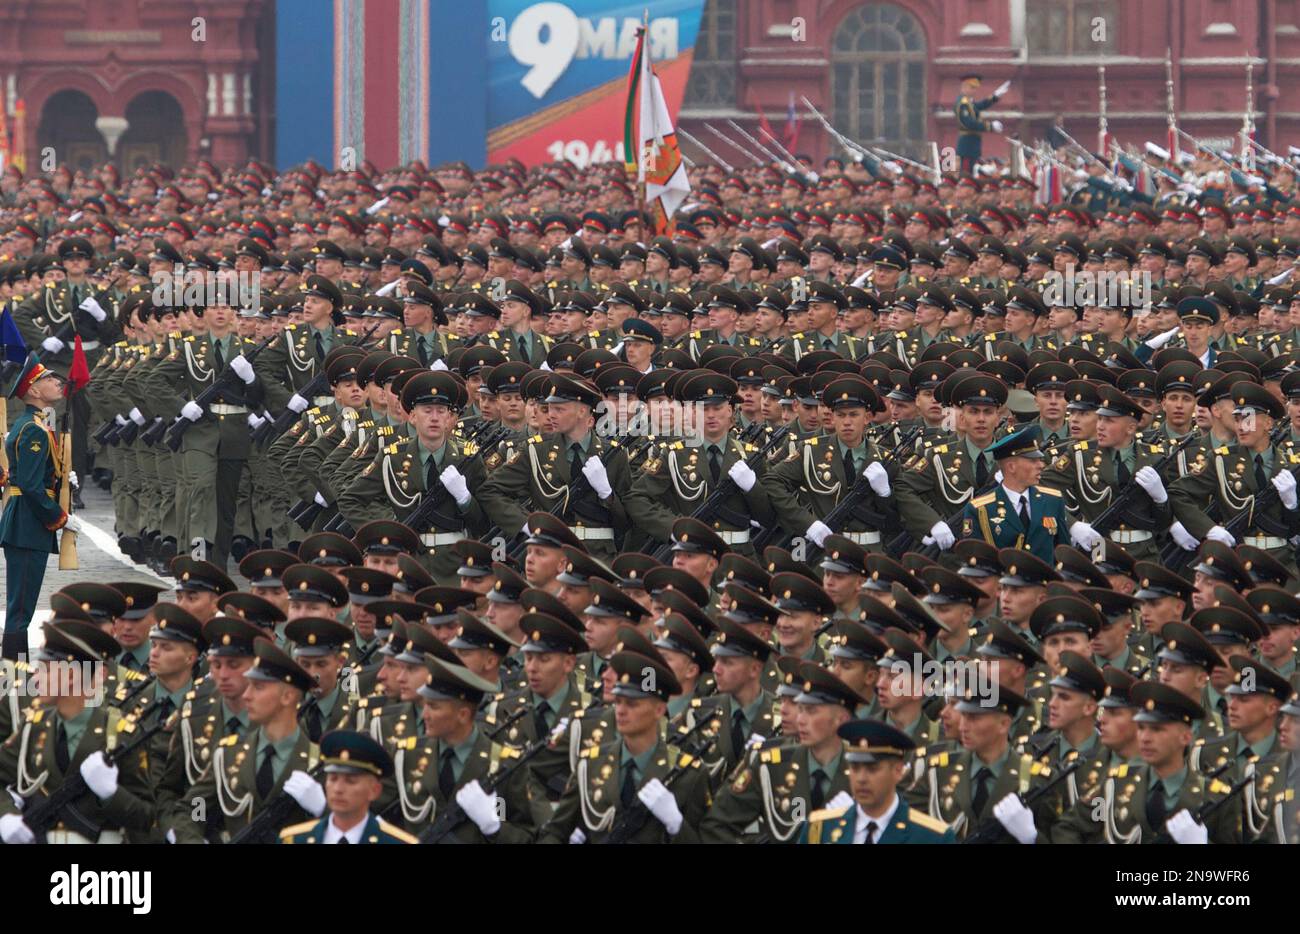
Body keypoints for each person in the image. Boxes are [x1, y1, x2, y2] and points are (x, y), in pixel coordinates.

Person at [1, 353, 80, 659]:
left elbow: (35, 476)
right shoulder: (33, 429)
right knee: (21, 602)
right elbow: (31, 487)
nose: (56, 383)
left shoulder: (34, 425)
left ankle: (14, 663)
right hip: (27, 523)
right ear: (33, 391)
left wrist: (61, 478)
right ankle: (13, 666)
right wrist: (60, 518)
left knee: (24, 600)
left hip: (27, 522)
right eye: (47, 379)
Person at [798, 718, 954, 843]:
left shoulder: (931, 837)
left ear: (898, 771)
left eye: (872, 769)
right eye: (855, 768)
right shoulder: (820, 829)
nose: (861, 779)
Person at [279, 730, 418, 843]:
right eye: (333, 779)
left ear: (374, 790)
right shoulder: (293, 840)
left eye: (350, 781)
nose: (338, 789)